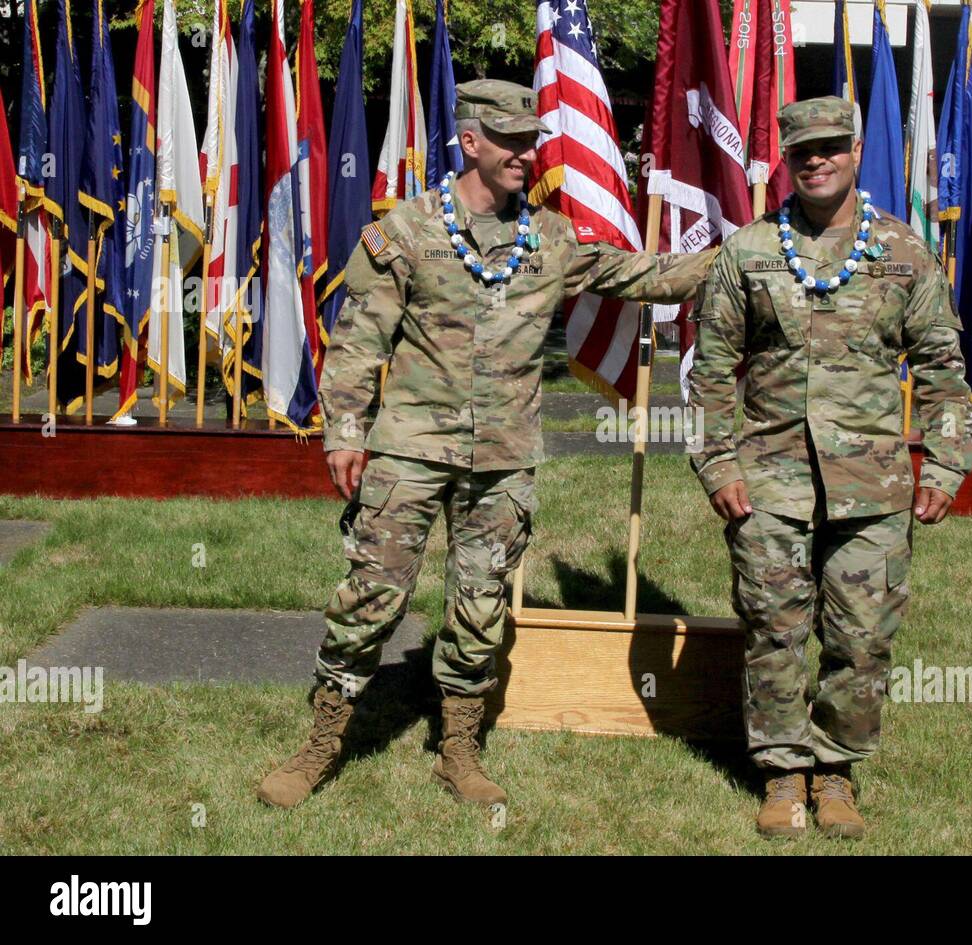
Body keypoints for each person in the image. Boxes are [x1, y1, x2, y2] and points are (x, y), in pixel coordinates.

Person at [257, 79, 716, 810]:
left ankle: (459, 749)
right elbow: (355, 342)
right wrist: (344, 432)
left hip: (502, 462)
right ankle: (321, 743)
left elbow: (645, 276)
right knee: (370, 598)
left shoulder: (552, 238)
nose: (525, 155)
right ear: (469, 141)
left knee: (479, 608)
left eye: (531, 141)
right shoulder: (405, 231)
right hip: (409, 452)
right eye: (509, 141)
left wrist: (737, 250)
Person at [687, 96, 972, 839]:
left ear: (854, 151)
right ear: (787, 160)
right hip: (769, 481)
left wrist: (946, 465)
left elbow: (944, 368)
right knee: (774, 629)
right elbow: (713, 369)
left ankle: (837, 769)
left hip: (872, 487)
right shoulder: (750, 251)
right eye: (802, 151)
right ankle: (784, 770)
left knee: (861, 637)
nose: (817, 160)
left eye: (830, 148)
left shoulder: (903, 252)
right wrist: (717, 462)